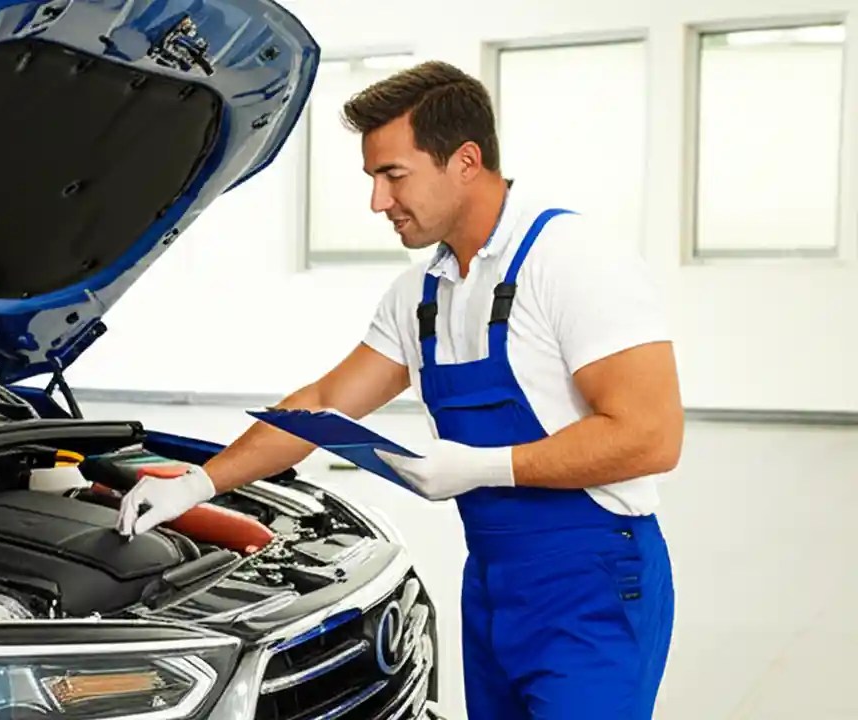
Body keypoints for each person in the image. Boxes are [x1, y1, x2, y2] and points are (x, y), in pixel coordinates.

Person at [116, 59, 682, 720]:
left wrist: (483, 466)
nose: (377, 202)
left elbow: (650, 437)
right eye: (372, 179)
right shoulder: (422, 294)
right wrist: (199, 484)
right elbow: (321, 403)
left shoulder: (572, 260)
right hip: (492, 581)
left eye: (393, 175)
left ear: (465, 161)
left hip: (593, 583)